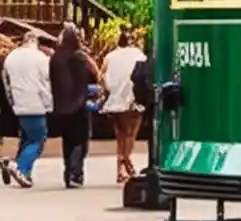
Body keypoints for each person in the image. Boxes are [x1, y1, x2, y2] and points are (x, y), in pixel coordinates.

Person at [2, 31, 53, 188]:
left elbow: (6, 83)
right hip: (36, 105)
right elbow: (46, 82)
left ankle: (23, 172)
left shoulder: (11, 58)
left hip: (19, 105)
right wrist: (49, 104)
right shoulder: (41, 58)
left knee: (26, 139)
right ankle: (19, 166)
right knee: (38, 139)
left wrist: (12, 102)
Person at [49, 26, 95, 188]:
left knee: (67, 141)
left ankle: (68, 171)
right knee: (80, 141)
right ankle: (76, 173)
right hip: (77, 105)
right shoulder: (78, 57)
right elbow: (89, 77)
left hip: (60, 106)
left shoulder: (55, 58)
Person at [101, 30, 147, 183]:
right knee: (130, 134)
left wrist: (109, 90)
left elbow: (101, 76)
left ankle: (120, 169)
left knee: (120, 135)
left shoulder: (110, 56)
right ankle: (126, 160)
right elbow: (143, 75)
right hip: (132, 99)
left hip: (114, 101)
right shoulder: (139, 55)